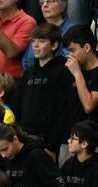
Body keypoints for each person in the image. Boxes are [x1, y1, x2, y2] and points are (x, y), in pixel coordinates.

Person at [15, 22, 72, 156]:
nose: (35, 45)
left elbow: (64, 111)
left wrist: (52, 146)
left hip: (50, 143)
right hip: (26, 140)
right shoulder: (28, 72)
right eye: (33, 41)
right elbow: (17, 105)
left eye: (41, 41)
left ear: (54, 45)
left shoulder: (63, 71)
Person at [60, 25, 98, 164]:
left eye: (73, 50)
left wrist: (77, 74)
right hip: (68, 140)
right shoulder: (68, 72)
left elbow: (89, 105)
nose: (69, 56)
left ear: (87, 47)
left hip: (92, 143)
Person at [0, 122, 61, 187]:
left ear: (15, 139)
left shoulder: (36, 155)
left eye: (5, 149)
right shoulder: (6, 159)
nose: (3, 155)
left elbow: (58, 184)